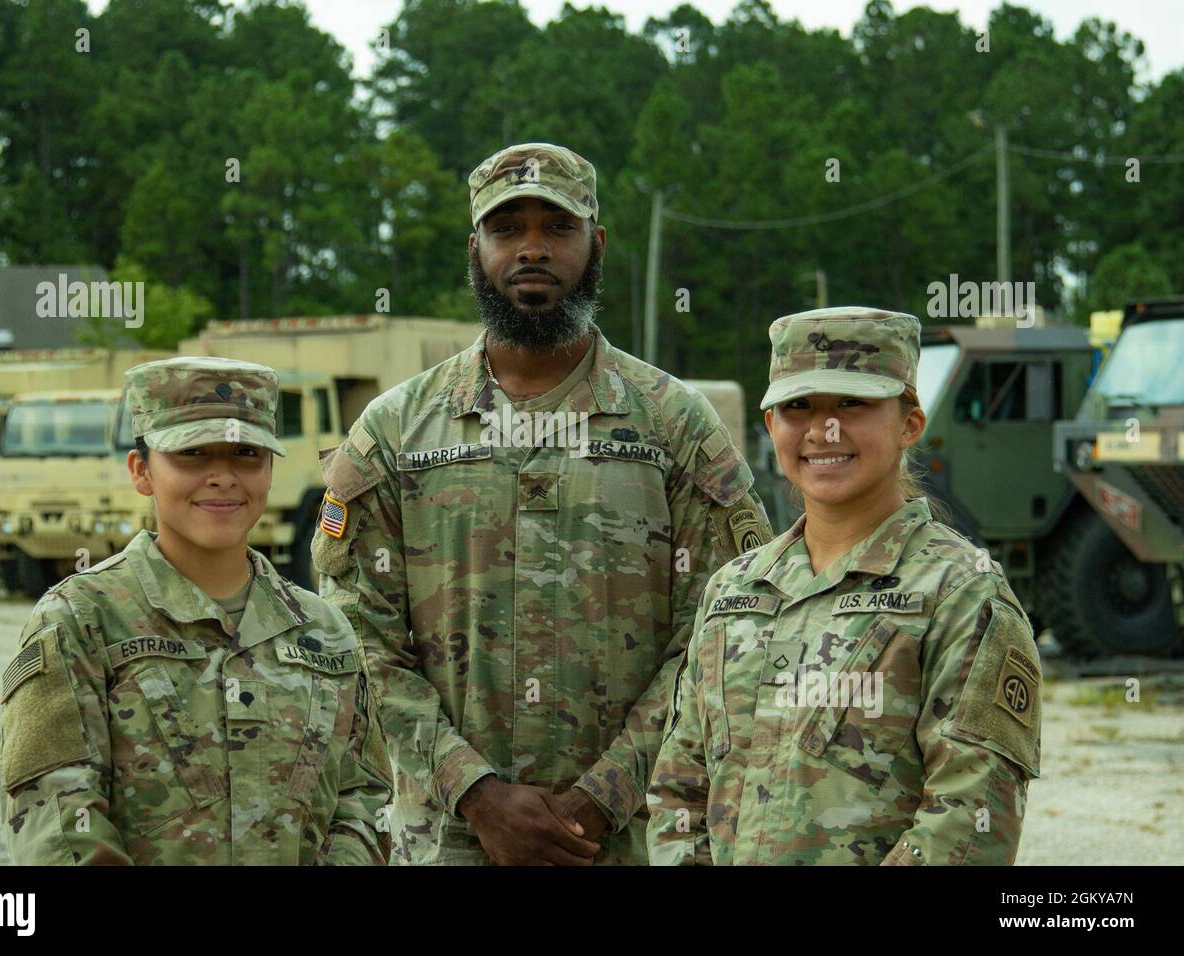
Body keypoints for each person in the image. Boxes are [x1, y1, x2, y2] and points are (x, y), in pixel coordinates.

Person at [313, 142, 773, 865]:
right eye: (507, 230)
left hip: (632, 842)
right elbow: (357, 638)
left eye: (557, 229)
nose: (531, 250)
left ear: (597, 243)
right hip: (449, 841)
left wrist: (606, 794)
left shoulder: (672, 424)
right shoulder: (396, 431)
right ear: (476, 249)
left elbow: (724, 632)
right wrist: (476, 793)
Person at [646, 307, 1042, 865]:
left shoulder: (960, 592)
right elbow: (678, 789)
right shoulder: (734, 591)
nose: (823, 429)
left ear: (909, 423)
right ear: (770, 426)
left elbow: (971, 814)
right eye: (798, 406)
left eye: (852, 403)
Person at [0, 356, 392, 865]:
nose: (222, 477)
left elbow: (363, 803)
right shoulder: (78, 620)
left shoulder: (324, 631)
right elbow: (54, 818)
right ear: (141, 471)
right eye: (192, 454)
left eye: (246, 454)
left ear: (271, 468)